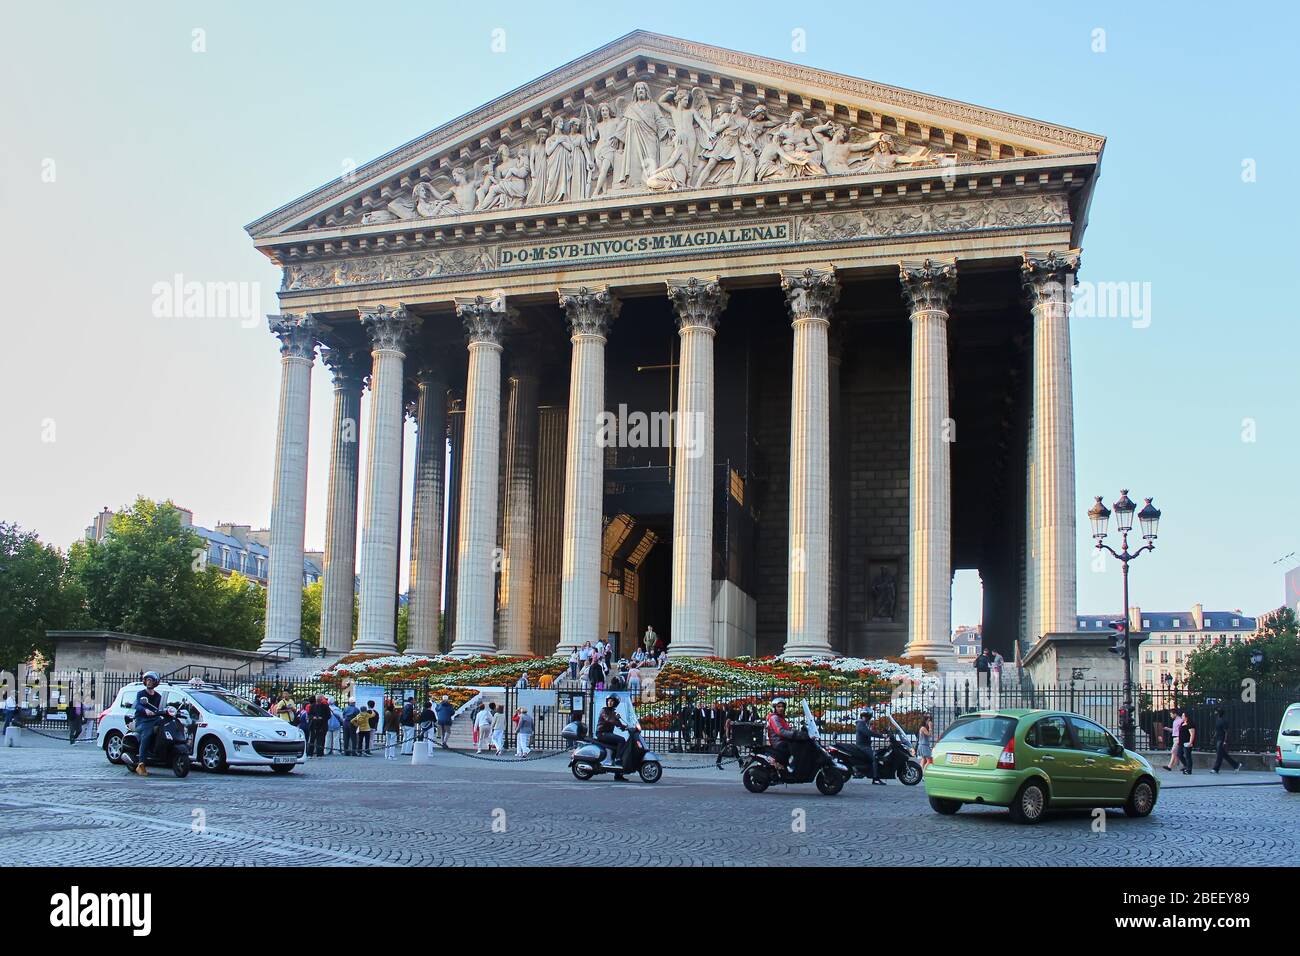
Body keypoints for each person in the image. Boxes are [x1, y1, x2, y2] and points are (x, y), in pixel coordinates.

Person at [132, 672, 164, 777]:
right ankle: (141, 764)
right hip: (142, 720)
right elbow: (137, 705)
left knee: (166, 725)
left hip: (154, 719)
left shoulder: (158, 696)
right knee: (147, 734)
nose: (149, 682)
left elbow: (161, 708)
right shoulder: (141, 694)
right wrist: (145, 710)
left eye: (151, 680)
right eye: (147, 680)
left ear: (156, 682)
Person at [596, 695, 630, 780]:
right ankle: (618, 759)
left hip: (607, 733)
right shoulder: (604, 711)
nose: (609, 702)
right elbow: (609, 719)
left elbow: (617, 722)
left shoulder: (613, 712)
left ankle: (618, 775)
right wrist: (616, 719)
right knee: (621, 740)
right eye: (608, 701)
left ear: (615, 703)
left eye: (612, 701)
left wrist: (626, 727)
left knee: (618, 747)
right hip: (602, 733)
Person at [855, 711, 887, 785]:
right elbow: (868, 733)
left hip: (865, 745)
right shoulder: (861, 723)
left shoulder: (864, 724)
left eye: (868, 717)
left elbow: (870, 732)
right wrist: (882, 736)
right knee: (875, 757)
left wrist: (882, 732)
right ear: (863, 717)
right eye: (867, 717)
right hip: (863, 746)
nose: (868, 719)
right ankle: (876, 779)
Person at [765, 698, 796, 773]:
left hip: (783, 740)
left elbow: (786, 729)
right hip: (778, 742)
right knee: (795, 748)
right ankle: (790, 768)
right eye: (778, 706)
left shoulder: (780, 718)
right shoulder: (774, 717)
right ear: (774, 708)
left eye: (782, 706)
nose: (781, 708)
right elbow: (780, 731)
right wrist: (794, 734)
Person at [1211, 707, 1241, 774]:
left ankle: (1215, 769)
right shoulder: (1218, 720)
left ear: (1218, 713)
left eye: (1216, 712)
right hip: (1218, 739)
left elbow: (1226, 732)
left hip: (1221, 739)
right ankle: (1236, 765)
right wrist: (1213, 737)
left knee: (1219, 755)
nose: (1215, 713)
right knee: (1223, 754)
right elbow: (1216, 730)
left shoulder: (1223, 721)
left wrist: (1225, 741)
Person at [1178, 709, 1197, 775]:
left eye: (1183, 716)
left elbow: (1192, 734)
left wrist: (1190, 742)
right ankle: (1186, 765)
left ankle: (1189, 769)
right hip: (1181, 742)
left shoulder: (1190, 724)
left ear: (1187, 717)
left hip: (1187, 743)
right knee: (1179, 754)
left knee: (1187, 756)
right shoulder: (1182, 723)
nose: (1182, 717)